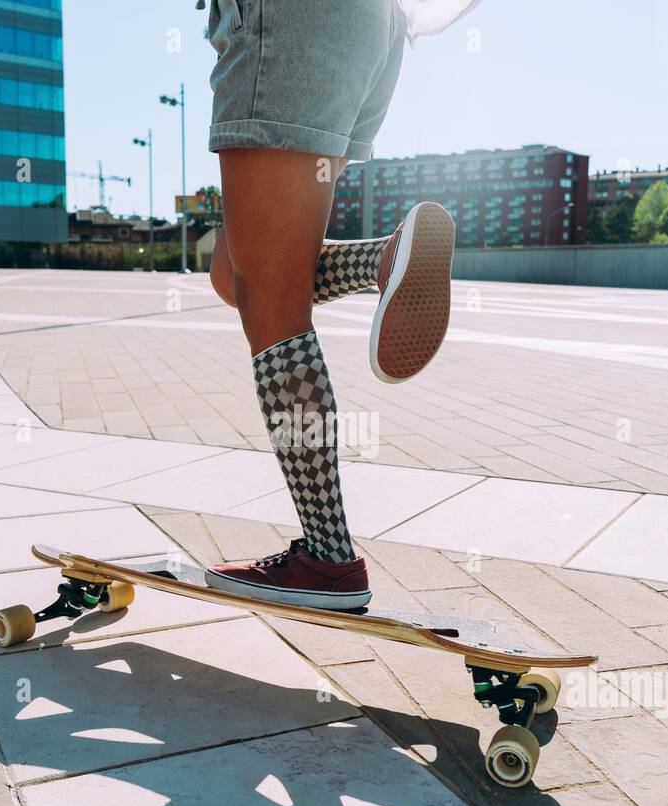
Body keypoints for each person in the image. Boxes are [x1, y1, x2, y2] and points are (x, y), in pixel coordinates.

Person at [197, 0, 481, 610]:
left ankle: (327, 559)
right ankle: (383, 261)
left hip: (286, 22)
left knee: (270, 302)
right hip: (372, 29)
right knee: (238, 271)